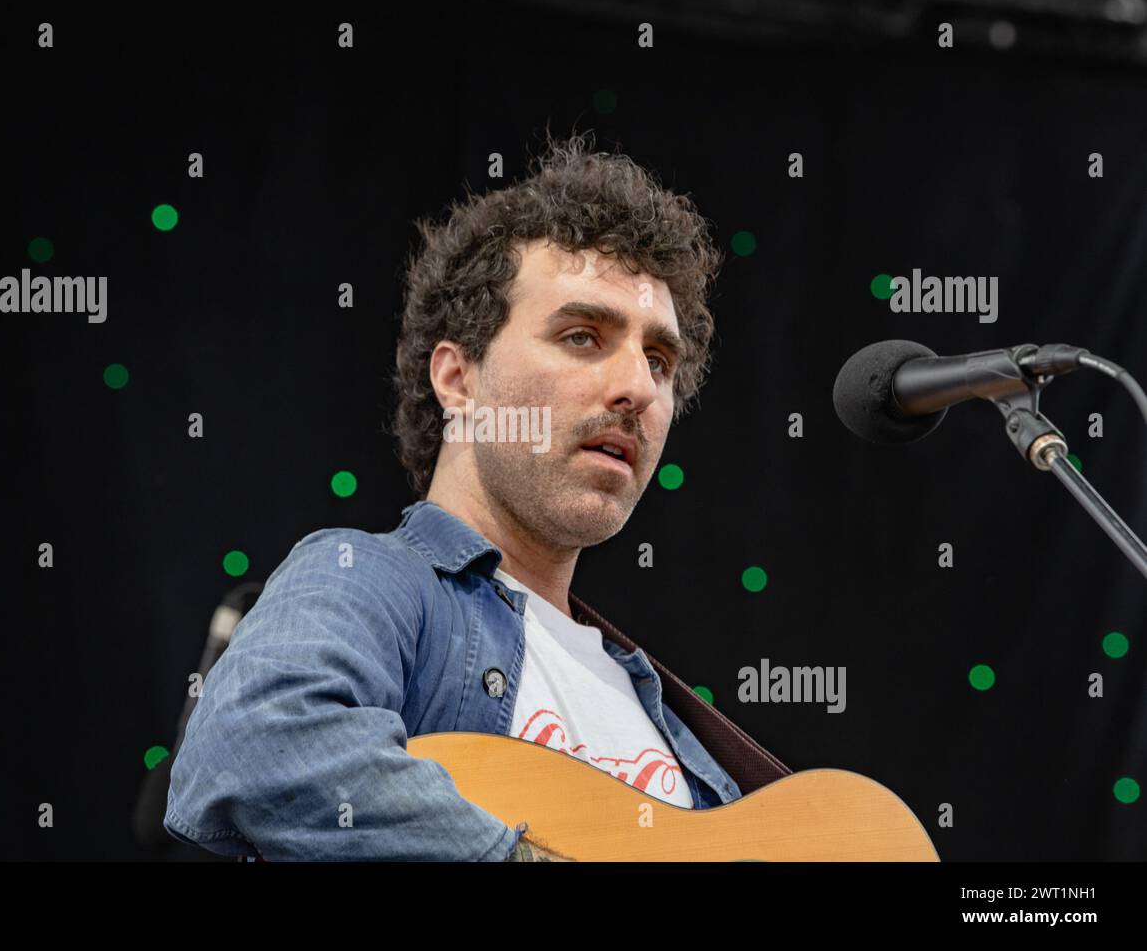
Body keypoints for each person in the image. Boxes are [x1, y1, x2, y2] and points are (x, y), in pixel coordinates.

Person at [164, 129, 743, 861]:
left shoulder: (670, 722)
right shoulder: (368, 579)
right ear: (458, 379)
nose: (637, 387)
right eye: (583, 337)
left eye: (659, 359)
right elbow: (256, 740)